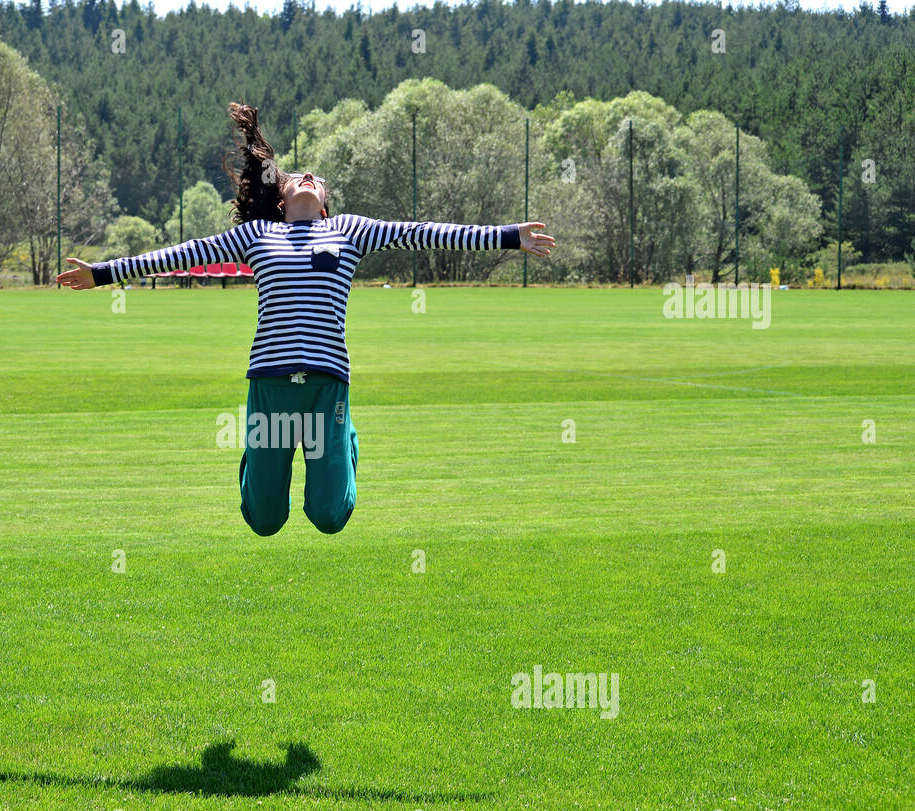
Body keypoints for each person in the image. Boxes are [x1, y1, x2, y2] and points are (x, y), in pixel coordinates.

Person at [57, 103, 555, 536]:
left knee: (329, 516)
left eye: (318, 180)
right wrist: (102, 274)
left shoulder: (349, 231)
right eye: (300, 176)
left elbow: (424, 233)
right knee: (264, 519)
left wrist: (510, 236)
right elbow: (182, 254)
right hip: (271, 385)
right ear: (283, 196)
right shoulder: (256, 237)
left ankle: (346, 436)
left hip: (326, 386)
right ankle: (258, 461)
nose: (309, 177)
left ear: (324, 203)